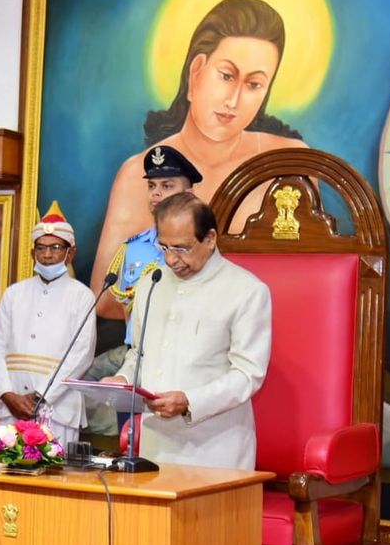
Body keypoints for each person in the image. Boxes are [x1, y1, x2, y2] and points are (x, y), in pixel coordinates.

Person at [90, 0, 307, 306]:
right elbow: (106, 300)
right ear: (196, 72)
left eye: (254, 84)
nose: (234, 99)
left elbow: (306, 284)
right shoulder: (137, 172)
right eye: (227, 76)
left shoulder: (289, 162)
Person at [103, 193, 271, 469]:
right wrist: (122, 378)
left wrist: (190, 401)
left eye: (181, 248)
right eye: (164, 246)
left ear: (210, 239)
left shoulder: (246, 291)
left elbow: (247, 375)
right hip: (156, 445)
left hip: (214, 449)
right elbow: (139, 353)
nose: (170, 259)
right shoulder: (151, 284)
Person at [83, 145, 200, 436]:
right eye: (152, 186)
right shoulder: (134, 249)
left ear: (190, 193)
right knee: (131, 444)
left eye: (167, 185)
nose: (156, 193)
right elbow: (126, 310)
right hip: (137, 360)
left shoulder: (202, 249)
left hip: (185, 362)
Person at [0, 201, 96, 447]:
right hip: (10, 408)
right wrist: (7, 394)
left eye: (56, 248)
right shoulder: (14, 293)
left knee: (53, 479)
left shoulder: (82, 296)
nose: (47, 255)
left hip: (58, 409)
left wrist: (40, 396)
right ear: (32, 252)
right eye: (41, 248)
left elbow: (82, 355)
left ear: (71, 253)